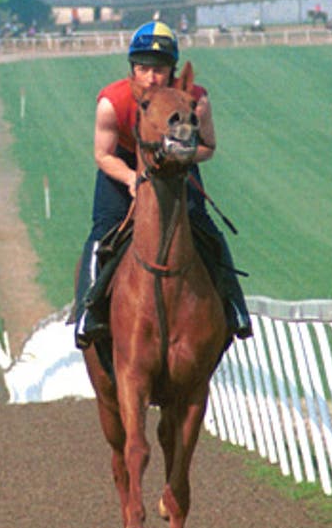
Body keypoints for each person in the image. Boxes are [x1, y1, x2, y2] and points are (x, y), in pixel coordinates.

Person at [73, 20, 251, 349]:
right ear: (132, 71)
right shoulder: (112, 102)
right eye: (143, 69)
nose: (152, 78)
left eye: (160, 69)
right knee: (104, 230)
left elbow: (208, 147)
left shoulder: (196, 101)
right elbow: (102, 154)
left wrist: (183, 153)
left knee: (204, 226)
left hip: (175, 161)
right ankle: (89, 311)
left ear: (173, 71)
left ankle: (235, 307)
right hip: (124, 162)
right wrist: (132, 179)